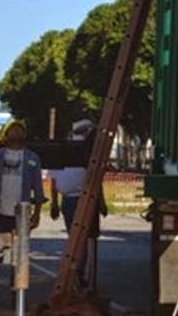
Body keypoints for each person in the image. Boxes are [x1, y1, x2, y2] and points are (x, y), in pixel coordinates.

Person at [0, 119, 45, 310]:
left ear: (24, 135)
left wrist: (36, 214)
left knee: (19, 258)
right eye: (12, 130)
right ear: (5, 135)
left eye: (19, 130)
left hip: (20, 217)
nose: (16, 132)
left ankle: (16, 300)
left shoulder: (32, 158)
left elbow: (38, 188)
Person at [49, 119, 107, 291]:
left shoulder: (63, 150)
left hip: (70, 200)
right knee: (84, 241)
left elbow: (53, 181)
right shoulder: (88, 151)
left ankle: (76, 274)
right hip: (84, 199)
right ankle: (78, 274)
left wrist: (54, 203)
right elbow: (96, 179)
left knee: (74, 239)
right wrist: (102, 202)